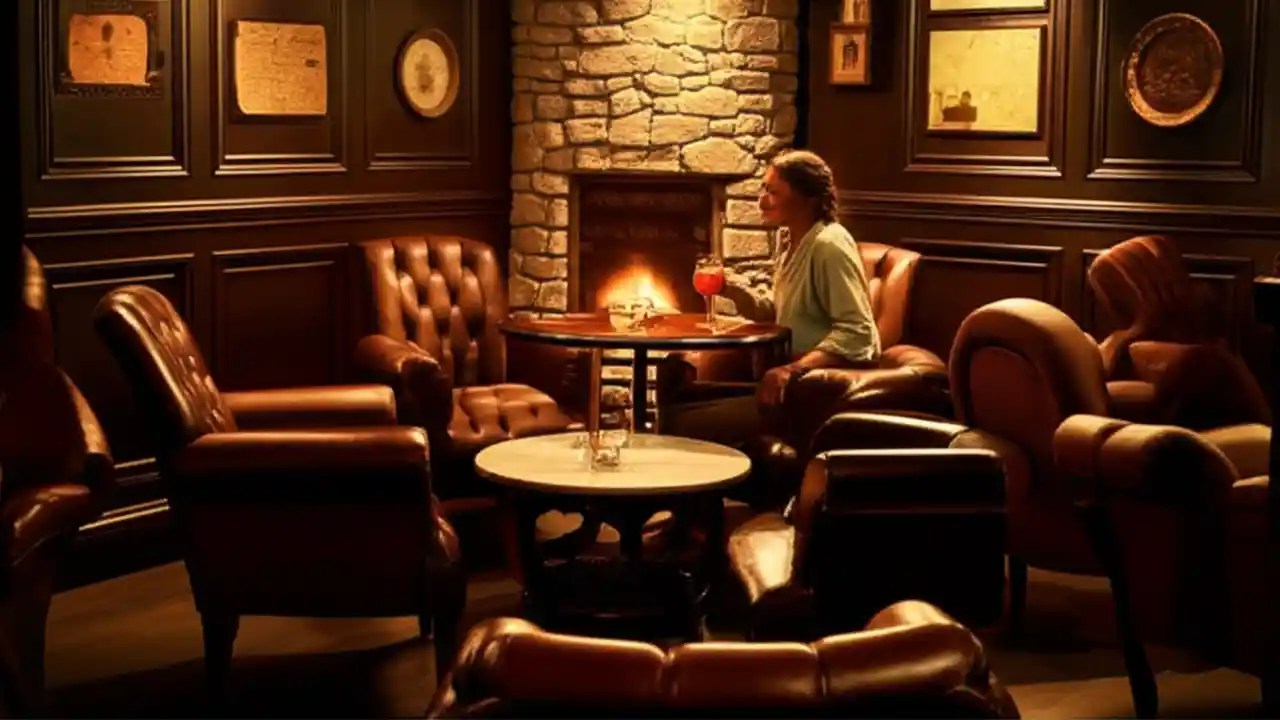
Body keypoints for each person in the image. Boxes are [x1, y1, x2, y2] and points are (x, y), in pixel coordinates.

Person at [660, 149, 881, 505]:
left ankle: (692, 531)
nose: (761, 200)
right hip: (774, 377)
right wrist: (730, 285)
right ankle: (687, 524)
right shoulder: (792, 241)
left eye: (772, 192)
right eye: (763, 190)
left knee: (681, 425)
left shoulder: (829, 245)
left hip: (804, 395)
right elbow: (773, 312)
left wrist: (791, 371)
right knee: (675, 398)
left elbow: (859, 333)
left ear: (807, 196)